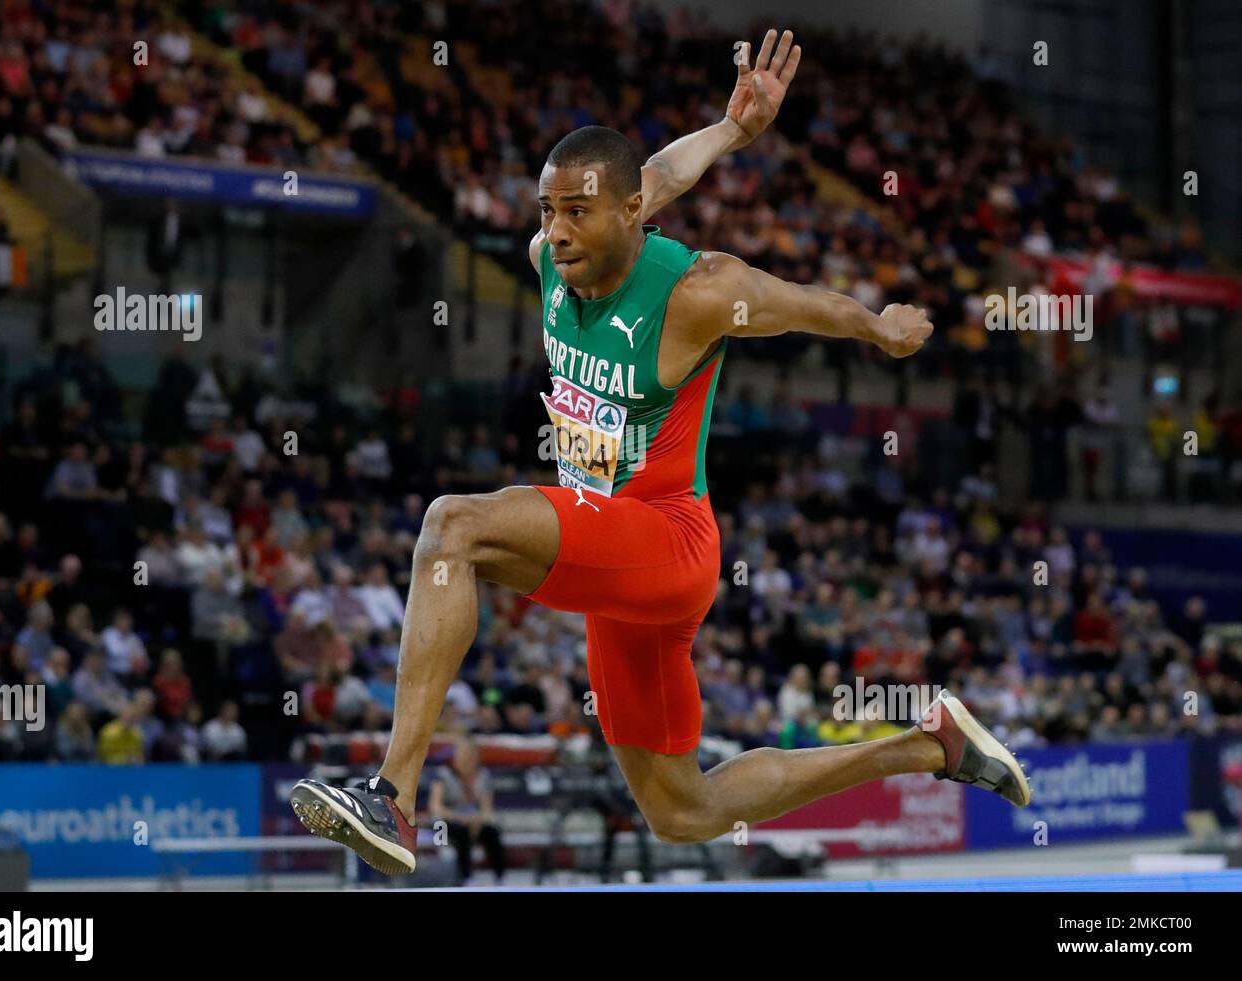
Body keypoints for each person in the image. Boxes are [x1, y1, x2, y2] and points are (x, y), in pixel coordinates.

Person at [292, 30, 1024, 877]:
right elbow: (662, 174)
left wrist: (877, 325)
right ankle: (930, 747)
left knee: (452, 527)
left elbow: (791, 303)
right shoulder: (548, 262)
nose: (556, 232)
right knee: (683, 810)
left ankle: (392, 796)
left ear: (628, 213)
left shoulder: (698, 293)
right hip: (616, 572)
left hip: (667, 541)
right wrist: (729, 129)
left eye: (577, 212)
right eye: (546, 210)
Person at [427, 736, 506, 884]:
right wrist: (461, 819)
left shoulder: (484, 776)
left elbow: (486, 809)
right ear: (455, 756)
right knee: (460, 833)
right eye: (463, 754)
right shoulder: (443, 775)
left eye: (470, 754)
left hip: (473, 820)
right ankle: (466, 878)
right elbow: (435, 807)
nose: (467, 758)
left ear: (477, 757)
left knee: (492, 832)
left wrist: (478, 821)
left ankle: (499, 878)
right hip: (445, 822)